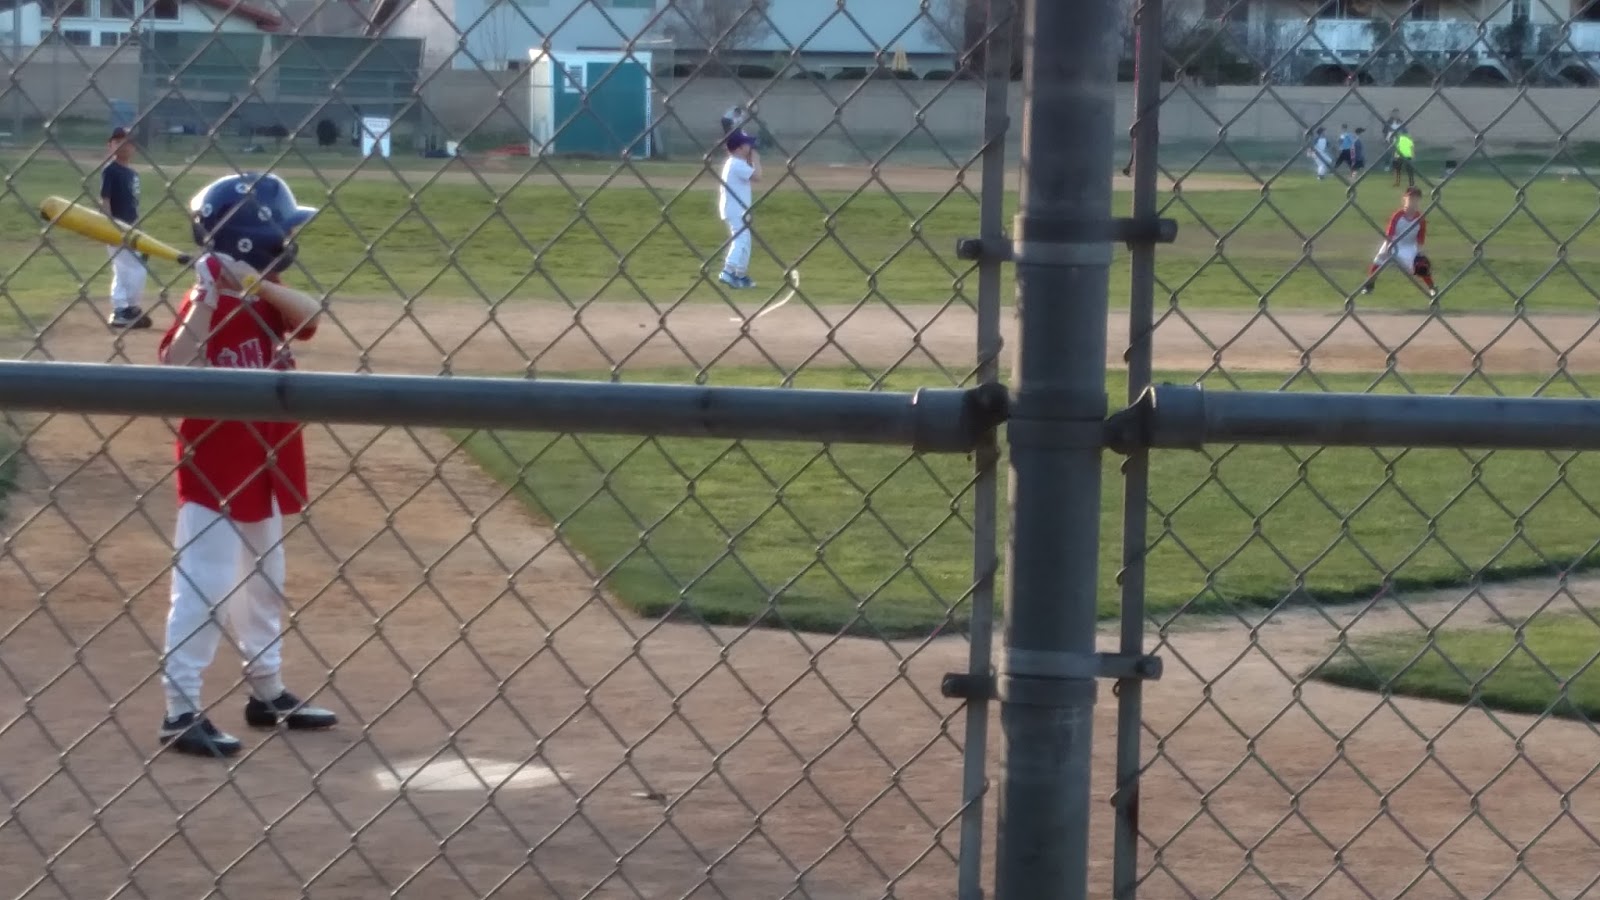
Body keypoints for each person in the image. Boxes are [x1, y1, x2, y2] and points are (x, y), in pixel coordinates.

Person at [154, 172, 338, 758]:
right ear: (247, 236)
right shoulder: (202, 300)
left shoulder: (268, 293)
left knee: (265, 582)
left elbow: (312, 315)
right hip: (215, 469)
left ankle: (267, 692)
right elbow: (176, 366)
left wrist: (254, 282)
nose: (290, 237)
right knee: (202, 588)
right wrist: (208, 295)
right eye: (281, 228)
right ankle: (180, 711)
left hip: (266, 464)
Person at [100, 127, 152, 330]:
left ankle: (128, 308)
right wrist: (111, 228)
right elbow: (106, 200)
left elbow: (133, 205)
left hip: (131, 228)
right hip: (117, 229)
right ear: (110, 145)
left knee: (127, 269)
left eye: (128, 141)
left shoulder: (132, 173)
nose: (124, 145)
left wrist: (138, 229)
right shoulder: (110, 170)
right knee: (132, 269)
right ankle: (123, 309)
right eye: (118, 140)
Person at [1363, 186, 1436, 299]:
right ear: (1404, 199)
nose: (1413, 201)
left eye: (1416, 199)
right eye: (1410, 198)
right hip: (1393, 242)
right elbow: (1390, 233)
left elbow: (1420, 238)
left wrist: (1419, 252)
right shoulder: (1398, 215)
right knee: (1379, 259)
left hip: (1409, 246)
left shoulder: (1420, 218)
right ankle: (1369, 284)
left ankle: (1432, 288)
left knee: (1421, 265)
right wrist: (1388, 247)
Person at [717, 131, 761, 289]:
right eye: (747, 144)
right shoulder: (736, 163)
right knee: (741, 239)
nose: (750, 147)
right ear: (739, 148)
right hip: (735, 209)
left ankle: (740, 275)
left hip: (738, 209)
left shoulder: (736, 162)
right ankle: (728, 271)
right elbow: (757, 176)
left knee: (745, 241)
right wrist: (756, 159)